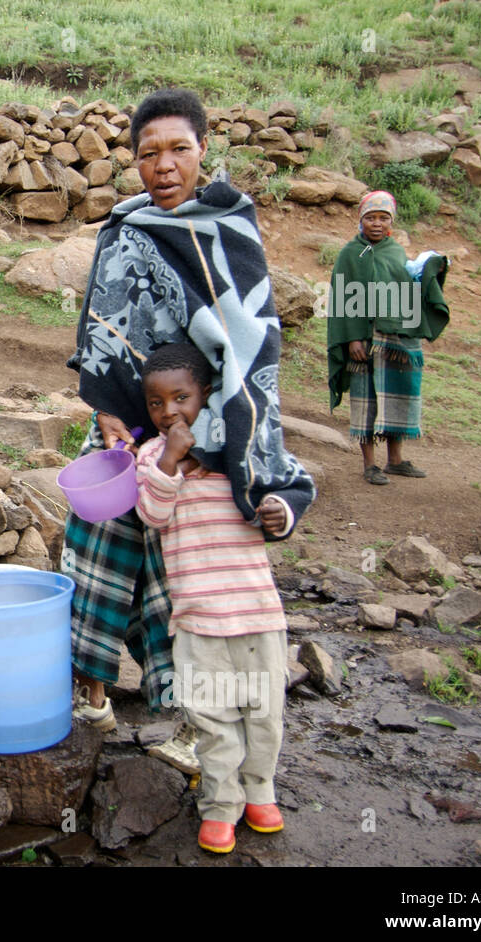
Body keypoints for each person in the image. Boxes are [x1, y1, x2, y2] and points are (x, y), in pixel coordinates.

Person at [65, 87, 314, 778]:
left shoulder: (230, 229)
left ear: (204, 150)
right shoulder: (124, 227)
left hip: (199, 440)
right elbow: (99, 329)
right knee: (95, 550)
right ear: (134, 160)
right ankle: (90, 696)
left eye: (179, 149)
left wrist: (207, 436)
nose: (164, 166)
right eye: (149, 154)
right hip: (123, 429)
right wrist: (106, 405)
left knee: (185, 581)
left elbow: (252, 341)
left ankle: (195, 728)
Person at [134, 342, 289, 854]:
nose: (168, 412)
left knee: (264, 711)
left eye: (181, 398)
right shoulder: (154, 458)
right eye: (156, 403)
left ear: (206, 395)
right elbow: (152, 516)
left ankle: (260, 791)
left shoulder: (237, 444)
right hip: (197, 618)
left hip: (256, 612)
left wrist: (279, 512)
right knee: (212, 718)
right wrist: (173, 460)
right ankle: (221, 805)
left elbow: (282, 483)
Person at [326, 190, 450, 484]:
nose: (377, 223)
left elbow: (408, 289)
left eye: (383, 218)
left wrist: (432, 271)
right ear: (361, 220)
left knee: (399, 396)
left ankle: (396, 460)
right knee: (365, 401)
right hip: (365, 344)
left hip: (395, 342)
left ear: (391, 221)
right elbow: (342, 298)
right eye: (371, 217)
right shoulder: (350, 254)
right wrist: (353, 338)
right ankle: (370, 465)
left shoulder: (396, 252)